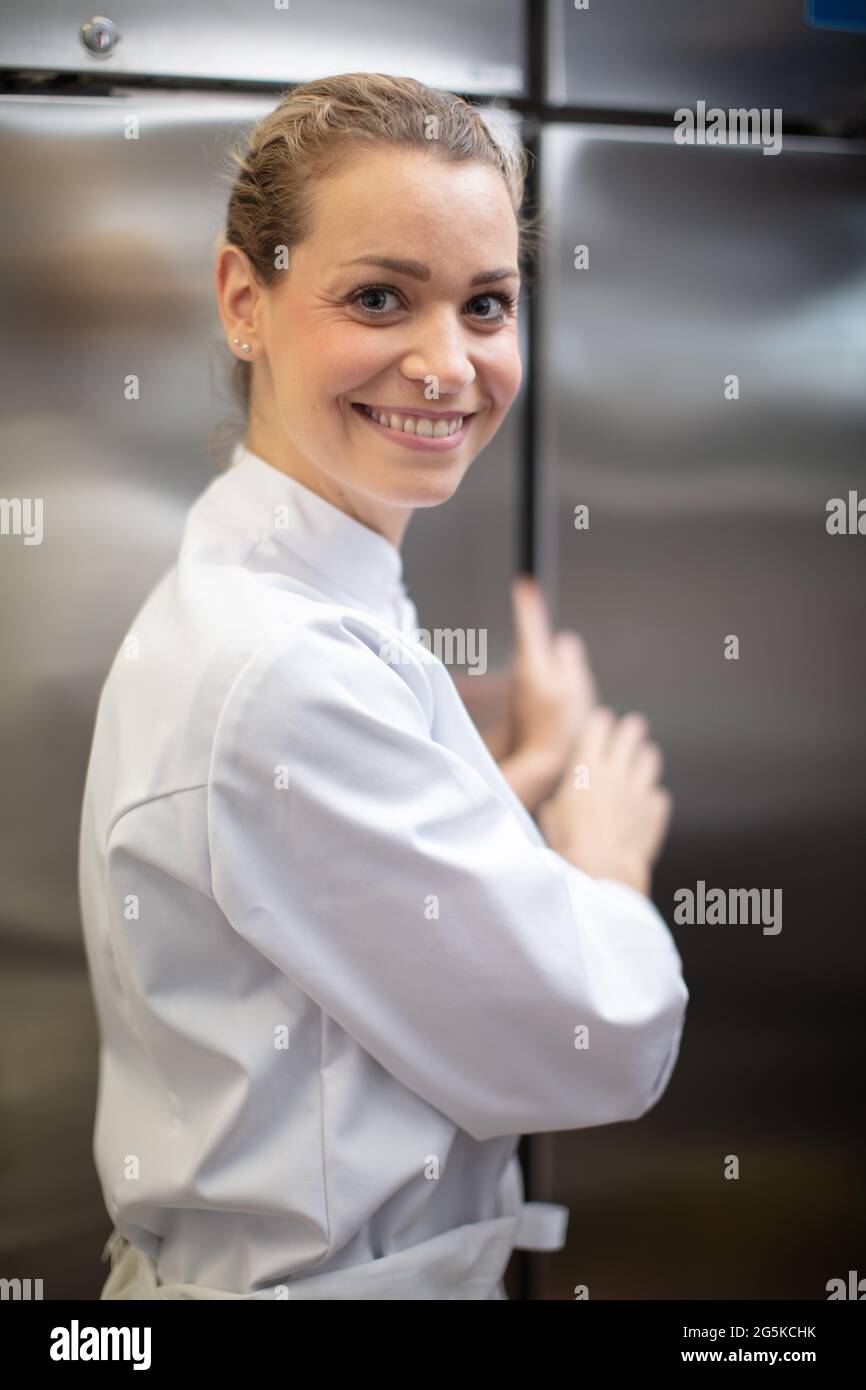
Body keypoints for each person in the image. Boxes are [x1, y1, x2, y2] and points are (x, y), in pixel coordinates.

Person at [79, 72, 688, 1301]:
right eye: (376, 297)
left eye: (485, 305)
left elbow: (318, 888)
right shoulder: (284, 665)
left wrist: (485, 785)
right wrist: (596, 850)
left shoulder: (285, 584)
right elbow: (602, 1038)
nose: (445, 364)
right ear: (243, 299)